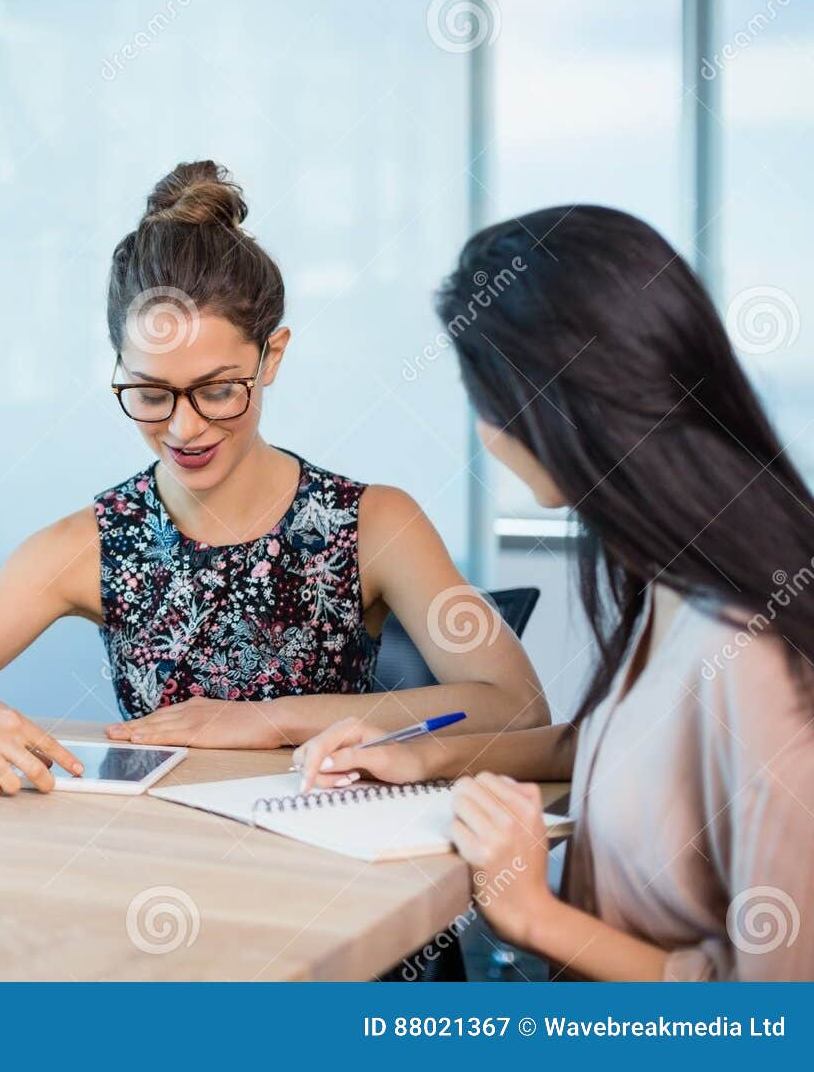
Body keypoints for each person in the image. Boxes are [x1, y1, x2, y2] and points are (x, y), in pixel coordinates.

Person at [0, 161, 547, 795]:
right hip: (165, 872)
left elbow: (516, 704)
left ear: (271, 356)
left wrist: (270, 721)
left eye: (217, 390)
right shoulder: (90, 543)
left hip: (331, 867)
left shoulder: (374, 523)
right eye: (151, 393)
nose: (184, 428)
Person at [294, 206, 814, 980]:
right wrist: (419, 755)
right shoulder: (675, 578)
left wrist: (532, 912)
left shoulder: (750, 645)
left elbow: (774, 1015)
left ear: (546, 403)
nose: (482, 428)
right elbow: (616, 746)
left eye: (482, 392)